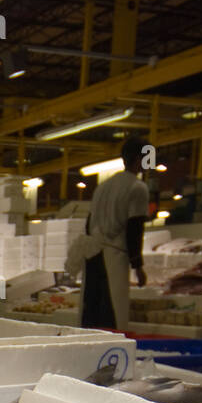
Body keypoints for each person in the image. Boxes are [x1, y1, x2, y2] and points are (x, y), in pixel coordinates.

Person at [81, 136, 150, 329]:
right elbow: (134, 228)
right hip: (114, 255)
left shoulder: (102, 187)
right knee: (112, 314)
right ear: (139, 158)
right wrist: (138, 266)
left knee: (91, 311)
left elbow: (88, 224)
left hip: (92, 255)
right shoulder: (138, 187)